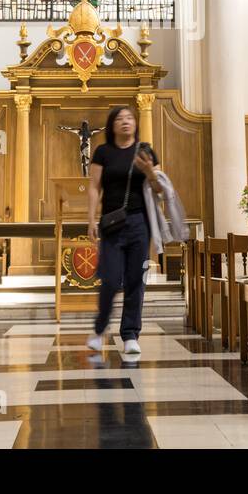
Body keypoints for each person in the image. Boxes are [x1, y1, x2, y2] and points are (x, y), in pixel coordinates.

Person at [86, 105, 161, 355]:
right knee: (109, 278)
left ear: (136, 124)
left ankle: (130, 334)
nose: (126, 122)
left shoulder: (145, 151)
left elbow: (160, 188)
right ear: (112, 125)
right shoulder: (103, 152)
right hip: (111, 223)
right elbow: (94, 187)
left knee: (134, 280)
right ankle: (99, 329)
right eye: (120, 119)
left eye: (130, 118)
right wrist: (91, 219)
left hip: (140, 223)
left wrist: (149, 171)